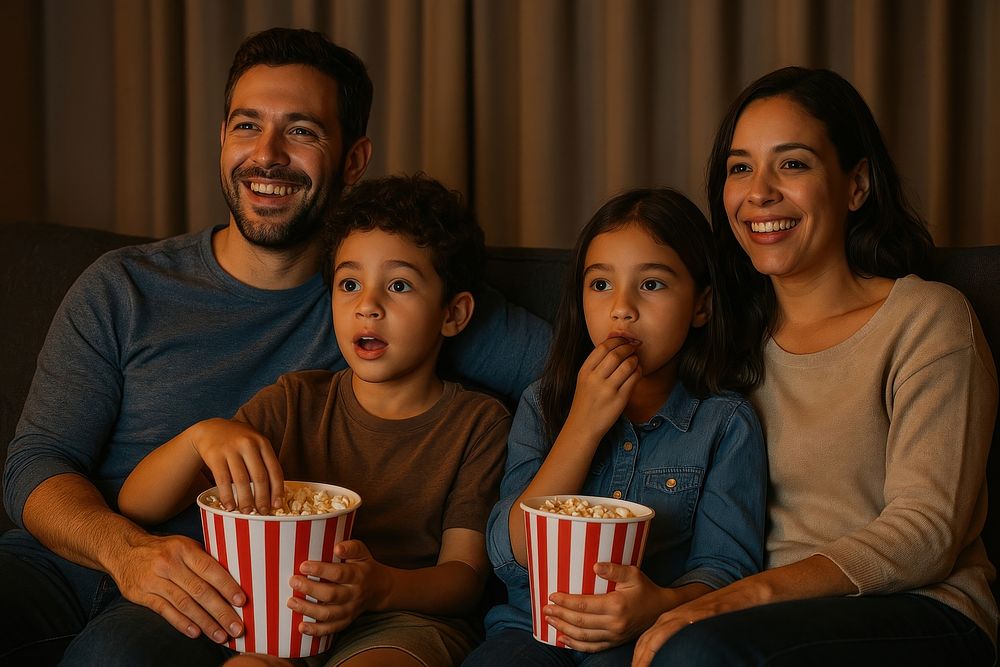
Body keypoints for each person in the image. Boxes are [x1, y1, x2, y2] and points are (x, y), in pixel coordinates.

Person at [1, 28, 549, 666]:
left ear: (353, 159)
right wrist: (126, 552)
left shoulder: (383, 300)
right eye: (246, 126)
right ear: (222, 139)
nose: (267, 155)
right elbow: (35, 464)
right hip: (67, 560)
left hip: (226, 595)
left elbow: (570, 374)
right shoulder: (122, 286)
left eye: (302, 131)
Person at [632, 67, 998, 667]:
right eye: (740, 167)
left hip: (919, 610)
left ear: (856, 185)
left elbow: (927, 534)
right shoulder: (723, 336)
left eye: (793, 164)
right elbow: (550, 352)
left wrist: (736, 600)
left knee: (697, 653)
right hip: (752, 618)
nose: (760, 192)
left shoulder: (927, 319)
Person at [118, 173, 510, 667]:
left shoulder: (478, 423)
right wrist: (200, 437)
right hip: (282, 612)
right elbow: (137, 504)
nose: (368, 306)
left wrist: (382, 587)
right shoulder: (294, 401)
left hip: (404, 619)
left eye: (399, 285)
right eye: (350, 284)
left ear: (453, 314)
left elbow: (465, 579)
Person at [464, 188, 767, 666]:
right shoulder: (543, 403)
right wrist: (582, 427)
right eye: (600, 285)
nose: (622, 308)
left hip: (643, 636)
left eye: (652, 285)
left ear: (701, 306)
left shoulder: (723, 423)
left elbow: (725, 570)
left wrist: (657, 605)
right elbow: (509, 552)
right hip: (531, 628)